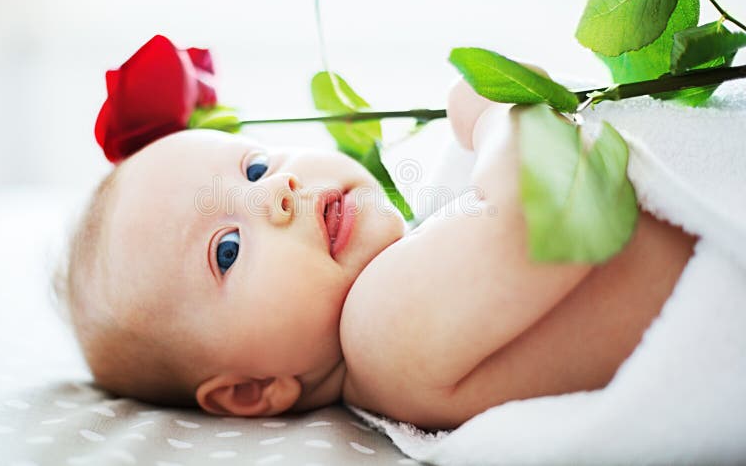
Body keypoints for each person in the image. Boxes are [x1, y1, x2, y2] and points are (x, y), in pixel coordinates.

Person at [52, 78, 697, 430]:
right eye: (226, 249)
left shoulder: (399, 273)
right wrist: (495, 116)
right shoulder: (377, 331)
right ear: (253, 391)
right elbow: (540, 209)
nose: (278, 193)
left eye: (252, 170)